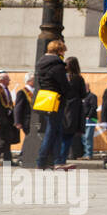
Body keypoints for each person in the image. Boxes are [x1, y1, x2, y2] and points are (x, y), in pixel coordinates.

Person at [35, 40, 69, 169]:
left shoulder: (41, 63)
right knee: (52, 130)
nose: (63, 53)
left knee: (56, 129)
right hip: (56, 100)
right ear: (59, 51)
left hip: (45, 98)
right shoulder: (57, 65)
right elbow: (63, 85)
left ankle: (57, 159)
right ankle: (43, 160)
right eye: (63, 51)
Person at [12, 74, 34, 165]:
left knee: (30, 138)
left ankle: (25, 156)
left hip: (34, 120)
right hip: (26, 120)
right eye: (34, 79)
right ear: (29, 80)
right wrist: (17, 121)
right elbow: (18, 107)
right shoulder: (22, 92)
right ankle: (22, 157)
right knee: (29, 138)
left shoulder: (34, 91)